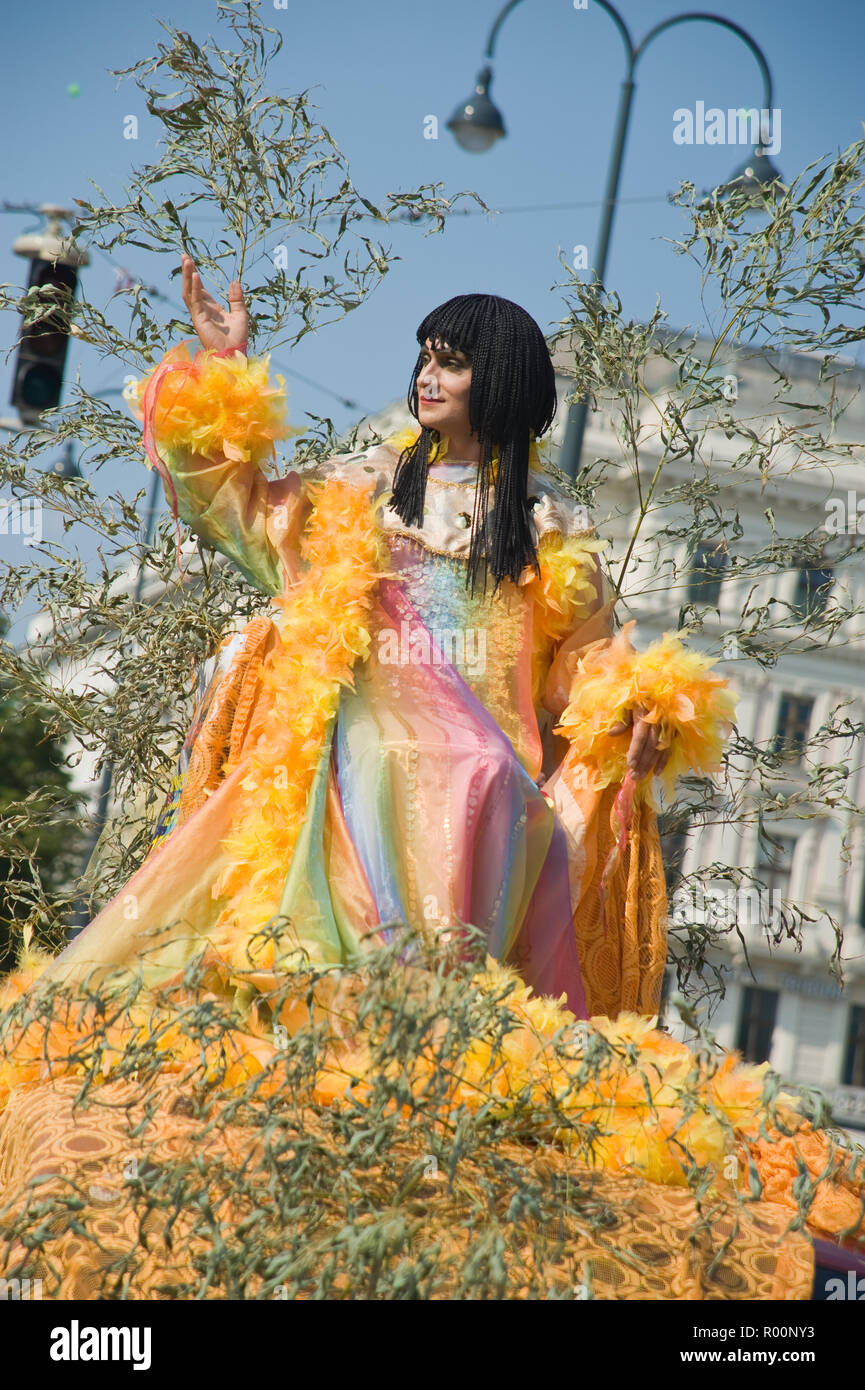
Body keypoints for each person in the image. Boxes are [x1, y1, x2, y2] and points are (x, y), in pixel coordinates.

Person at [40, 258, 677, 1019]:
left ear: (501, 382)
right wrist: (223, 364)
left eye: (453, 363)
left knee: (478, 768)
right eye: (425, 358)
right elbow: (234, 505)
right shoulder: (361, 488)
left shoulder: (550, 524)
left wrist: (645, 712)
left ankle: (433, 1011)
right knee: (428, 757)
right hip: (354, 745)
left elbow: (590, 667)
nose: (427, 377)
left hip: (490, 772)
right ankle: (390, 993)